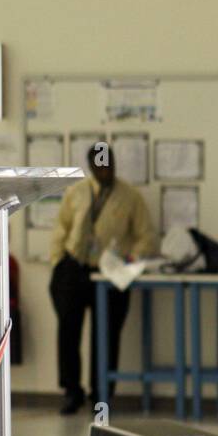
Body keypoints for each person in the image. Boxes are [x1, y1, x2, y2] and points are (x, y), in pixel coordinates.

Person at [49, 141, 158, 414]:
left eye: (109, 164)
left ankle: (101, 394)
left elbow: (147, 237)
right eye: (100, 165)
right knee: (68, 331)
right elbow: (60, 229)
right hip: (75, 268)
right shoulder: (76, 192)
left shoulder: (130, 196)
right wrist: (58, 262)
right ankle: (71, 391)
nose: (105, 169)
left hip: (110, 274)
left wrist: (131, 260)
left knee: (106, 334)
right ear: (91, 167)